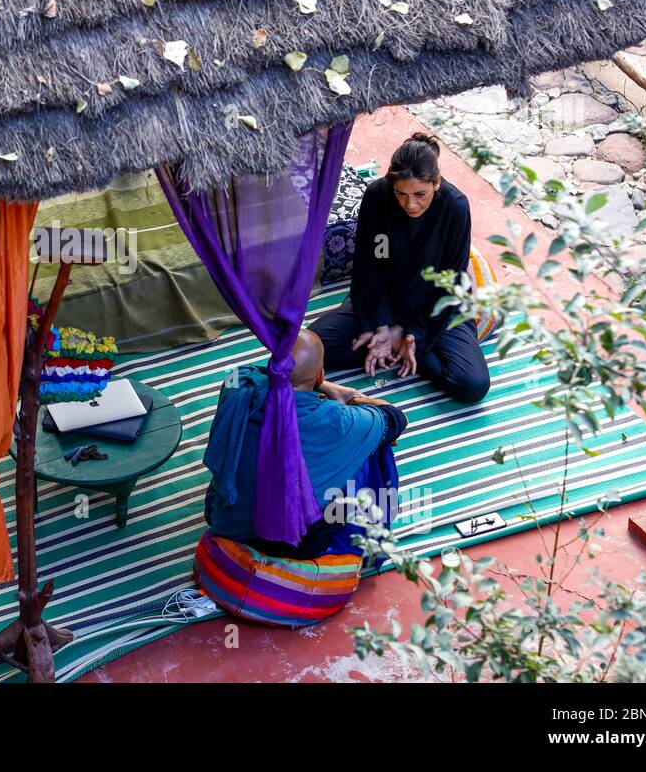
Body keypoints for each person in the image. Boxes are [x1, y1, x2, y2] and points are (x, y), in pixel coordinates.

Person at [311, 132, 491, 404]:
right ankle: (396, 346)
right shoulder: (377, 197)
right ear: (390, 184)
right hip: (383, 302)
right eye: (401, 194)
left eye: (420, 194)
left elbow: (452, 283)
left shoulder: (455, 207)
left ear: (437, 183)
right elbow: (368, 267)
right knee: (308, 350)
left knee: (472, 384)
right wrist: (381, 326)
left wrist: (412, 332)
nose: (410, 204)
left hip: (436, 309)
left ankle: (406, 345)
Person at [203, 330, 405, 558]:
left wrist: (324, 385)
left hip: (225, 518)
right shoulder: (339, 420)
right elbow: (395, 418)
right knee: (369, 449)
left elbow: (253, 371)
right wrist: (352, 398)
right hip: (297, 543)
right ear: (319, 375)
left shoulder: (238, 385)